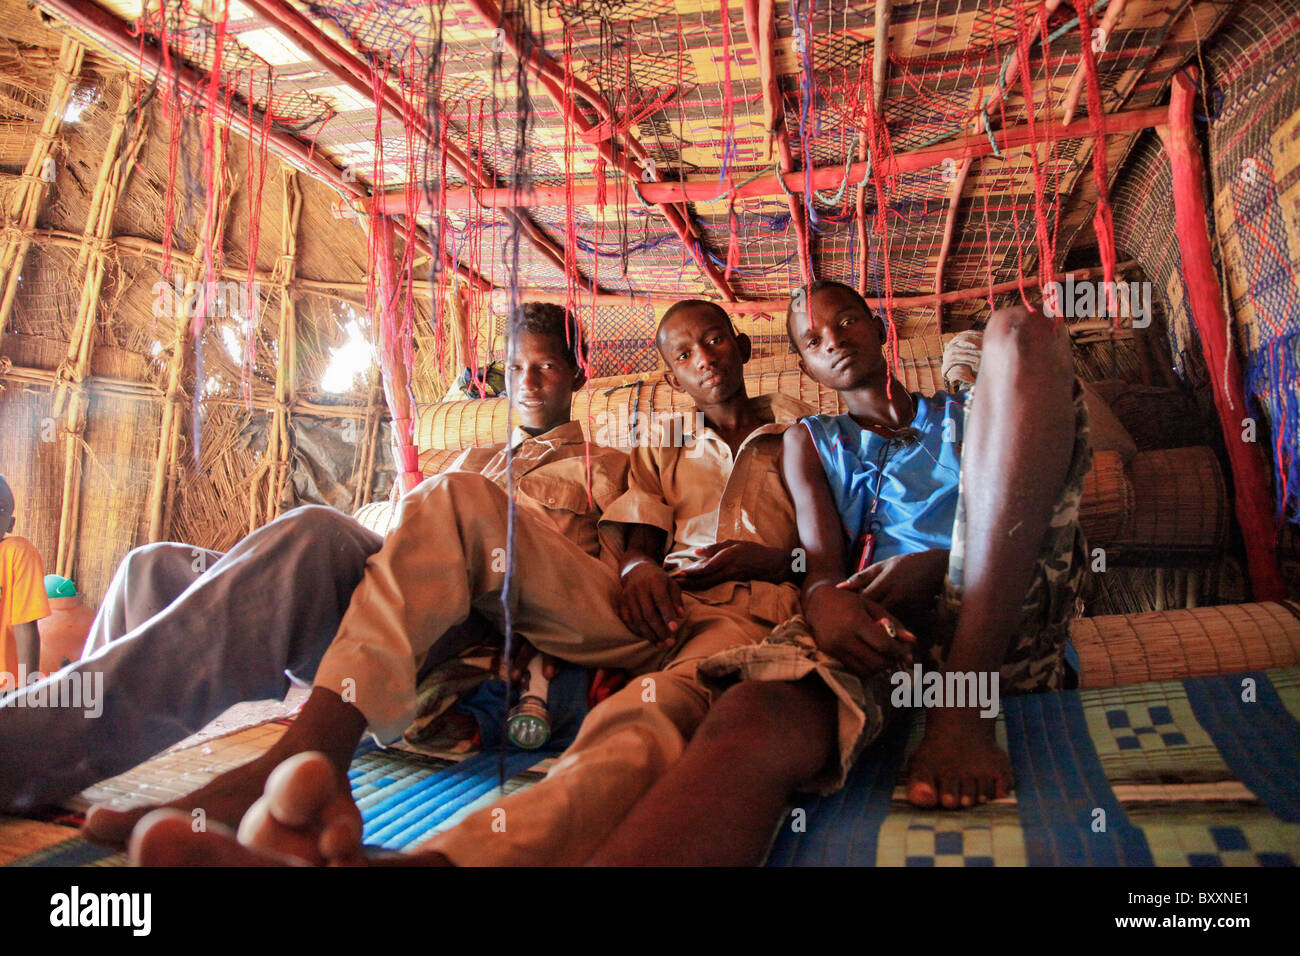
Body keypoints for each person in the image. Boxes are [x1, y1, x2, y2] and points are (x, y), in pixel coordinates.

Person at [128, 298, 820, 866]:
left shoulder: (805, 438)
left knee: (637, 724)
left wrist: (764, 563)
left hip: (738, 617)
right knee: (451, 496)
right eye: (685, 354)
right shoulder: (660, 445)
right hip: (640, 606)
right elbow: (640, 530)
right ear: (671, 376)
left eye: (716, 341)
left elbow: (828, 556)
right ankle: (316, 745)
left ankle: (442, 860)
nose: (706, 359)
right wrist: (640, 564)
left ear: (744, 347)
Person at [0, 303, 631, 826]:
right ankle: (79, 750)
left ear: (577, 375)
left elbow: (620, 575)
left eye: (546, 367)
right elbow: (405, 533)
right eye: (516, 366)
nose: (528, 381)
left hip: (477, 631)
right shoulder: (470, 462)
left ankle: (23, 752)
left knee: (315, 534)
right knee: (154, 566)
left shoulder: (612, 467)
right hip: (395, 605)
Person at [588, 280, 1092, 865]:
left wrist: (940, 565)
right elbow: (821, 566)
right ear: (804, 367)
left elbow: (1038, 510)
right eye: (812, 339)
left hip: (1003, 614)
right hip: (888, 628)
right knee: (751, 711)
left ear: (880, 328)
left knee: (1018, 328)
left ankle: (963, 705)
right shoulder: (812, 440)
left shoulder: (969, 413)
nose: (832, 341)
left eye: (847, 322)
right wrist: (825, 601)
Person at [0, 475, 50, 689]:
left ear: (11, 524)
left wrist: (27, 694)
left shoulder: (17, 554)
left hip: (7, 687)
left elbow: (25, 627)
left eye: (0, 508)